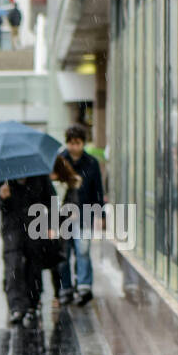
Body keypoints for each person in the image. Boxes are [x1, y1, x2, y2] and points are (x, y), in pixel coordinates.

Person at [0, 173, 53, 328]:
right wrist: (1, 196)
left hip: (35, 226)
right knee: (13, 266)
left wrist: (52, 225)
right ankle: (16, 307)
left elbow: (51, 199)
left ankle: (32, 303)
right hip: (12, 228)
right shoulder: (3, 175)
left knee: (34, 267)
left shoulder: (39, 175)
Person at [58, 124, 105, 305]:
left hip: (85, 212)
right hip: (63, 214)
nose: (74, 147)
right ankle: (65, 288)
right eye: (71, 143)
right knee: (64, 253)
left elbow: (98, 191)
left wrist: (99, 215)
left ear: (83, 143)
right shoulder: (60, 160)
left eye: (77, 143)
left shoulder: (91, 163)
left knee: (83, 250)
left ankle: (84, 286)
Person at [50, 154, 83, 306]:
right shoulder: (47, 184)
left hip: (67, 226)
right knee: (59, 260)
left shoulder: (69, 184)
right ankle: (62, 291)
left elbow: (73, 206)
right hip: (52, 227)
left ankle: (69, 288)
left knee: (69, 256)